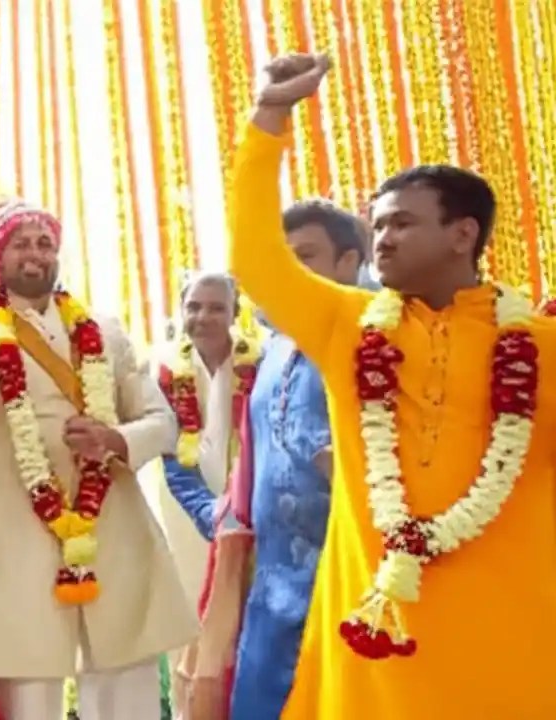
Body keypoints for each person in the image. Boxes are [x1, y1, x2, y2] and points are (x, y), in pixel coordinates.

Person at [231, 53, 556, 718]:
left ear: (463, 234)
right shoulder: (345, 324)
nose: (381, 239)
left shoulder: (538, 347)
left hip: (509, 621)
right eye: (377, 225)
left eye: (402, 223)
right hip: (381, 626)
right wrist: (269, 118)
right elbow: (256, 258)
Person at [0, 197, 193, 720]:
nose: (35, 253)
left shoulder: (104, 332)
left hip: (111, 520)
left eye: (44, 243)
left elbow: (162, 422)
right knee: (28, 682)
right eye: (20, 244)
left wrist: (114, 439)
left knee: (125, 675)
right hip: (18, 529)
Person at [167, 202, 364, 718]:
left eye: (305, 256)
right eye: (281, 259)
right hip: (269, 591)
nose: (287, 273)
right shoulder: (276, 347)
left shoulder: (371, 342)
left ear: (348, 262)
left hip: (345, 582)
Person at [155, 272, 259, 717]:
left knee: (242, 623)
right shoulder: (163, 370)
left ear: (236, 312)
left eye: (217, 307)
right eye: (194, 307)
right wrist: (206, 511)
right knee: (189, 620)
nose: (204, 317)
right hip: (188, 517)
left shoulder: (259, 364)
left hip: (251, 515)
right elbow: (169, 452)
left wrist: (238, 508)